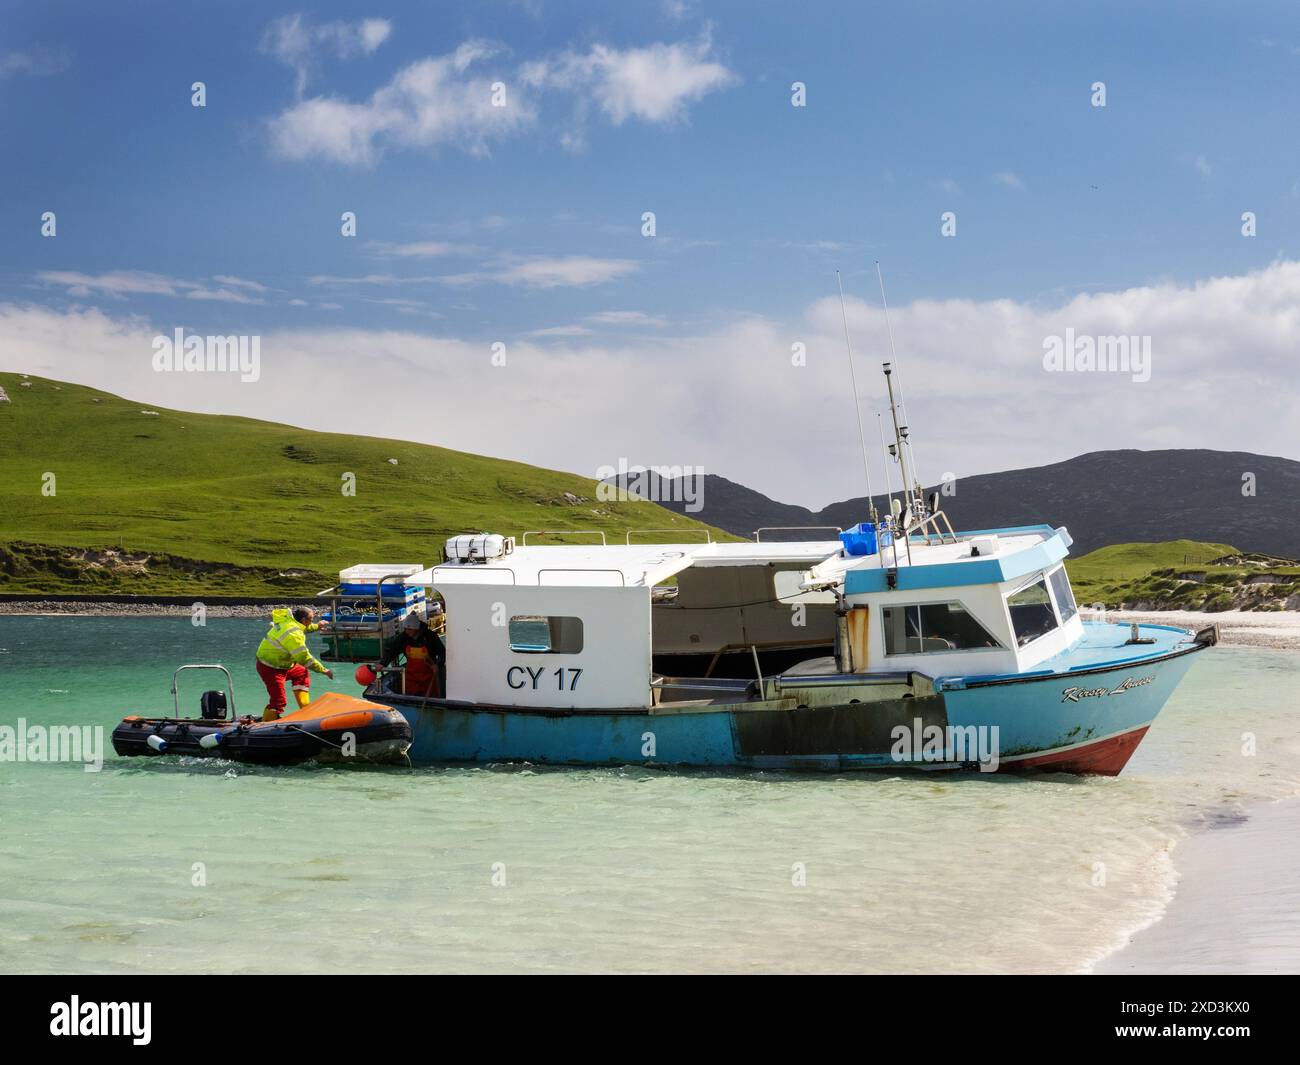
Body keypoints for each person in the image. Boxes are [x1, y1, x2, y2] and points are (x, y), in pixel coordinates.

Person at [256, 606, 333, 721]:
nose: (312, 621)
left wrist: (317, 626)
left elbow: (304, 628)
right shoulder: (294, 635)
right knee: (279, 702)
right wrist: (323, 670)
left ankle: (305, 709)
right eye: (311, 619)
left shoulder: (290, 622)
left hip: (282, 664)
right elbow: (304, 658)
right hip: (270, 667)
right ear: (303, 620)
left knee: (301, 672)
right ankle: (263, 726)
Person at [380, 613, 445, 697]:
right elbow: (392, 651)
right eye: (405, 629)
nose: (407, 632)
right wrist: (382, 663)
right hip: (411, 677)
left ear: (416, 628)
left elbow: (442, 652)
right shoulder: (403, 637)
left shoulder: (431, 636)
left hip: (428, 675)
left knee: (431, 696)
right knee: (411, 696)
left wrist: (438, 665)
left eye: (409, 629)